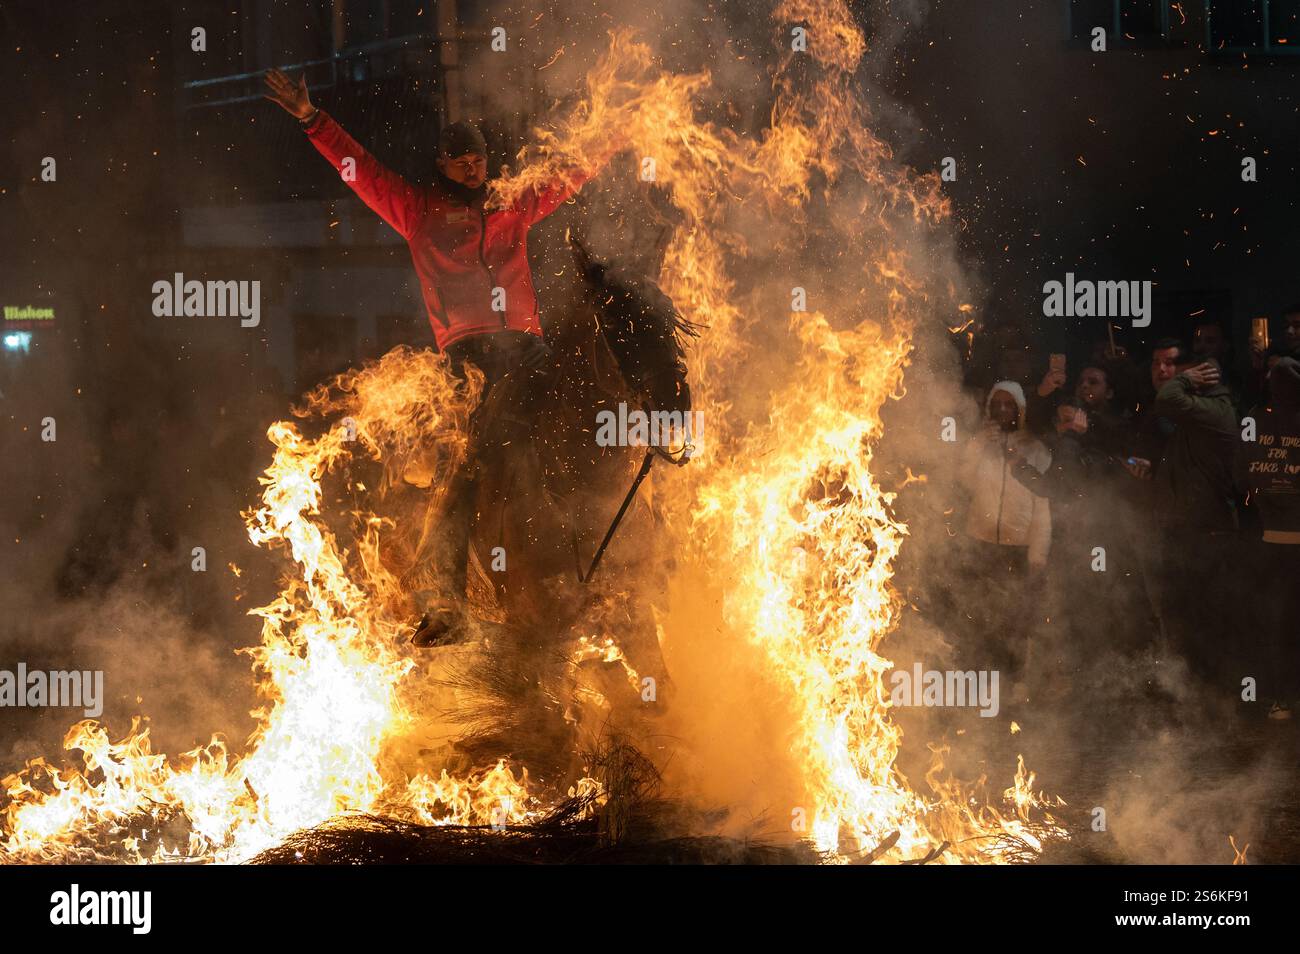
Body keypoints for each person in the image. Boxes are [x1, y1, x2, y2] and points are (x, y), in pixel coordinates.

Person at [263, 68, 620, 643]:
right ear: (442, 166)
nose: (471, 168)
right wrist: (312, 119)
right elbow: (361, 172)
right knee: (464, 463)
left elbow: (570, 174)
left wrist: (622, 128)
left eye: (476, 159)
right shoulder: (416, 211)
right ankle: (443, 599)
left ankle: (620, 547)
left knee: (588, 416)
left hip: (528, 349)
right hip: (470, 362)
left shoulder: (513, 205)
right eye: (458, 160)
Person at [958, 381, 1052, 674]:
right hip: (981, 541)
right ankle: (977, 679)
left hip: (1017, 547)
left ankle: (1011, 686)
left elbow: (1043, 507)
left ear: (1019, 409)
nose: (1001, 409)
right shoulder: (979, 444)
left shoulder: (1036, 449)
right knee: (979, 615)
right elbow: (964, 482)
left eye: (1008, 404)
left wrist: (1038, 555)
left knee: (1014, 620)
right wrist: (978, 445)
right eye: (996, 403)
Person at [1236, 357, 1300, 718]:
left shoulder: (1251, 420)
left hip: (1268, 538)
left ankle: (1281, 698)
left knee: (1275, 623)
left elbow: (1240, 478)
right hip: (1281, 538)